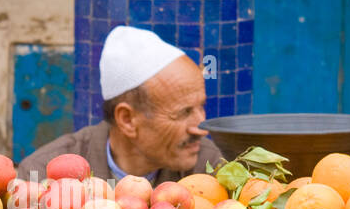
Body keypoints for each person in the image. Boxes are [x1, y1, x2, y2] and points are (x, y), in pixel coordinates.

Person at [16, 26, 226, 182]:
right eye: (183, 112)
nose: (202, 128)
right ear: (127, 119)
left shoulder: (212, 169)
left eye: (201, 106)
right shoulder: (42, 177)